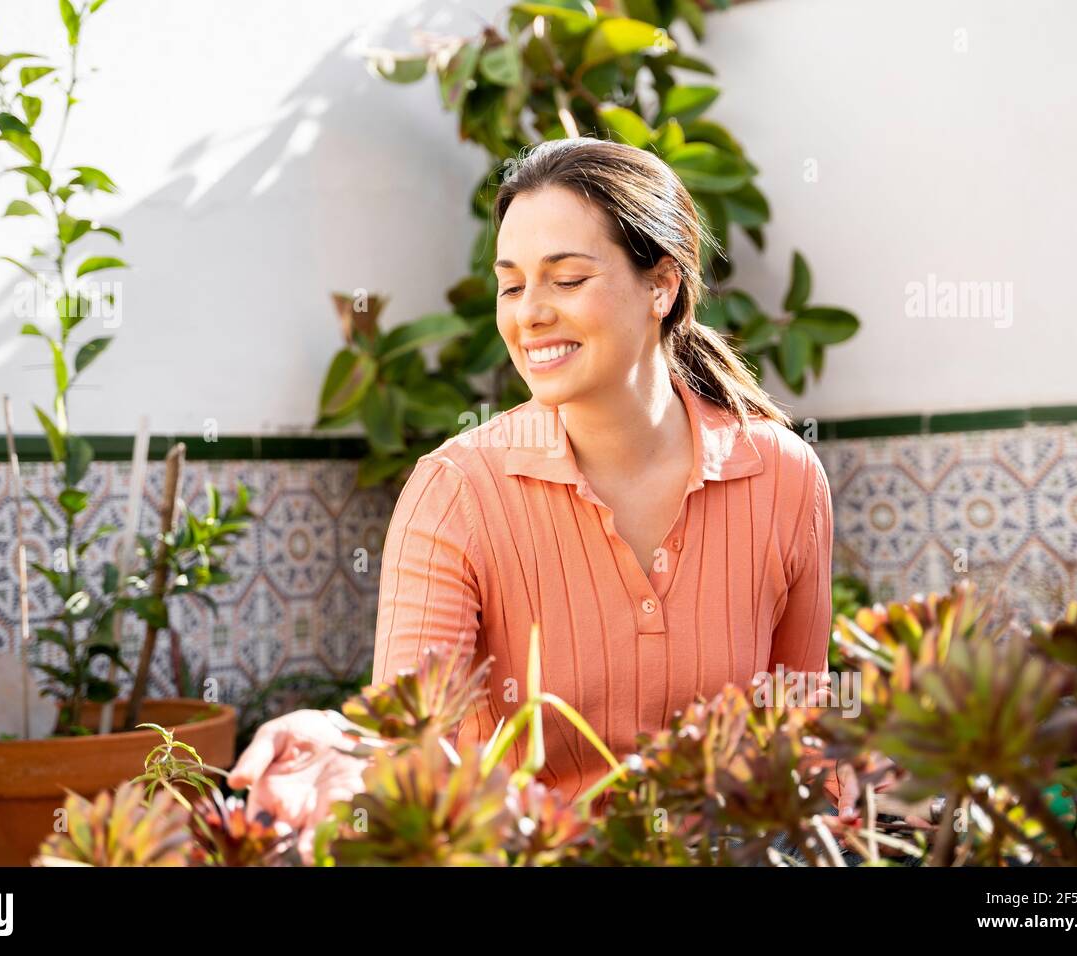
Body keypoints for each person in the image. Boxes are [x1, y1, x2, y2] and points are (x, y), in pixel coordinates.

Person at [230, 137, 911, 863]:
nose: (530, 314)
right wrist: (337, 750)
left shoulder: (783, 477)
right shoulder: (456, 489)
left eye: (566, 279)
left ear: (662, 286)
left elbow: (795, 732)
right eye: (513, 284)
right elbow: (408, 747)